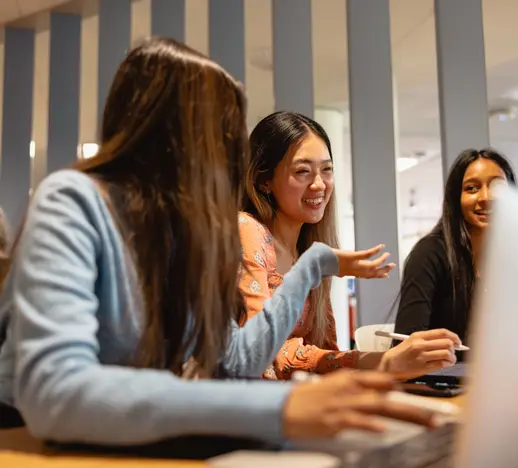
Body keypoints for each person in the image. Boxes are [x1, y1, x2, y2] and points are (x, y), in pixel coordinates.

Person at [0, 38, 438, 443]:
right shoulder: (73, 201)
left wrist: (314, 263)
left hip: (111, 439)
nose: (231, 154)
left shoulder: (181, 232)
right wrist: (277, 407)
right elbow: (54, 391)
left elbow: (238, 361)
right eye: (222, 131)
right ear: (167, 134)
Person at [240, 111, 461, 381]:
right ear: (264, 181)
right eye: (302, 171)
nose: (319, 184)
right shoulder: (247, 230)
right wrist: (381, 362)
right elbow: (262, 352)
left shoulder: (309, 249)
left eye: (327, 169)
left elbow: (325, 352)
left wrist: (384, 364)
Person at [394, 148, 517, 346]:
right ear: (455, 198)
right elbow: (405, 345)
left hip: (506, 371)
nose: (486, 197)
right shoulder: (429, 254)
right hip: (443, 374)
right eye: (472, 188)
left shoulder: (515, 258)